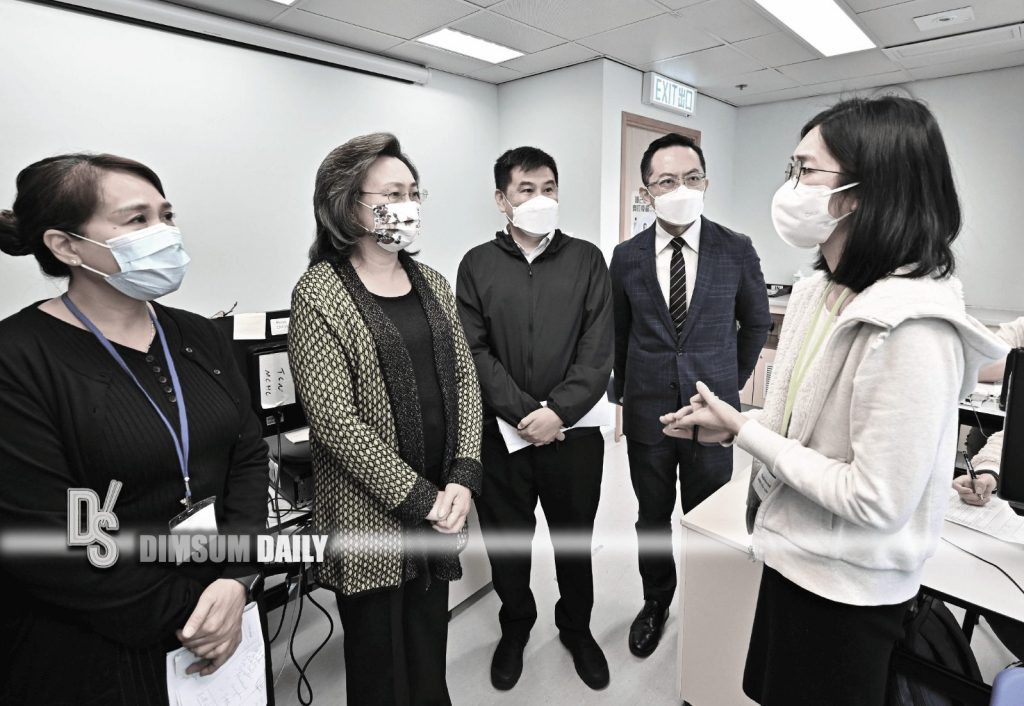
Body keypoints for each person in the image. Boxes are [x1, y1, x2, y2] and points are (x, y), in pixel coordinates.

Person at [661, 96, 1008, 706]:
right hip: (790, 553)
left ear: (863, 191)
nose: (789, 188)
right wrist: (738, 422)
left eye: (804, 171)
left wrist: (747, 433)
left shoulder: (912, 328)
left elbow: (874, 498)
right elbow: (798, 423)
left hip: (848, 589)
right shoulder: (820, 289)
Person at [0, 153, 270, 705]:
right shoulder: (18, 357)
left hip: (224, 605)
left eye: (166, 215)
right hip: (99, 643)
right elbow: (54, 533)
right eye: (137, 220)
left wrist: (237, 578)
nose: (164, 233)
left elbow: (245, 457)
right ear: (66, 246)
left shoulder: (200, 337)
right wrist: (191, 615)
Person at [288, 133, 482, 706]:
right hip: (369, 515)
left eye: (414, 192)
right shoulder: (319, 293)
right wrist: (424, 499)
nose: (409, 206)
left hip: (441, 505)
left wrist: (463, 478)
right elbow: (334, 423)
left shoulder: (432, 282)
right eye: (393, 193)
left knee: (428, 650)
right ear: (350, 205)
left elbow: (466, 383)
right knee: (377, 667)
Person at [456, 146, 613, 691]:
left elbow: (598, 349)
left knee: (574, 539)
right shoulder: (476, 265)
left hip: (573, 436)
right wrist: (527, 414)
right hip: (503, 437)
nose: (540, 198)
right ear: (502, 200)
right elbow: (473, 352)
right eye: (526, 189)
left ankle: (576, 628)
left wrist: (559, 412)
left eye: (549, 187)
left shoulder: (587, 259)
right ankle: (516, 628)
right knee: (508, 545)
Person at [609, 132, 771, 657]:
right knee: (652, 516)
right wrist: (623, 393)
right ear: (646, 191)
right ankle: (656, 601)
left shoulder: (735, 248)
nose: (682, 188)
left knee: (708, 516)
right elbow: (618, 330)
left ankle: (708, 605)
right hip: (649, 411)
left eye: (692, 177)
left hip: (713, 414)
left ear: (706, 181)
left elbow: (755, 323)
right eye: (667, 180)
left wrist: (730, 385)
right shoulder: (627, 256)